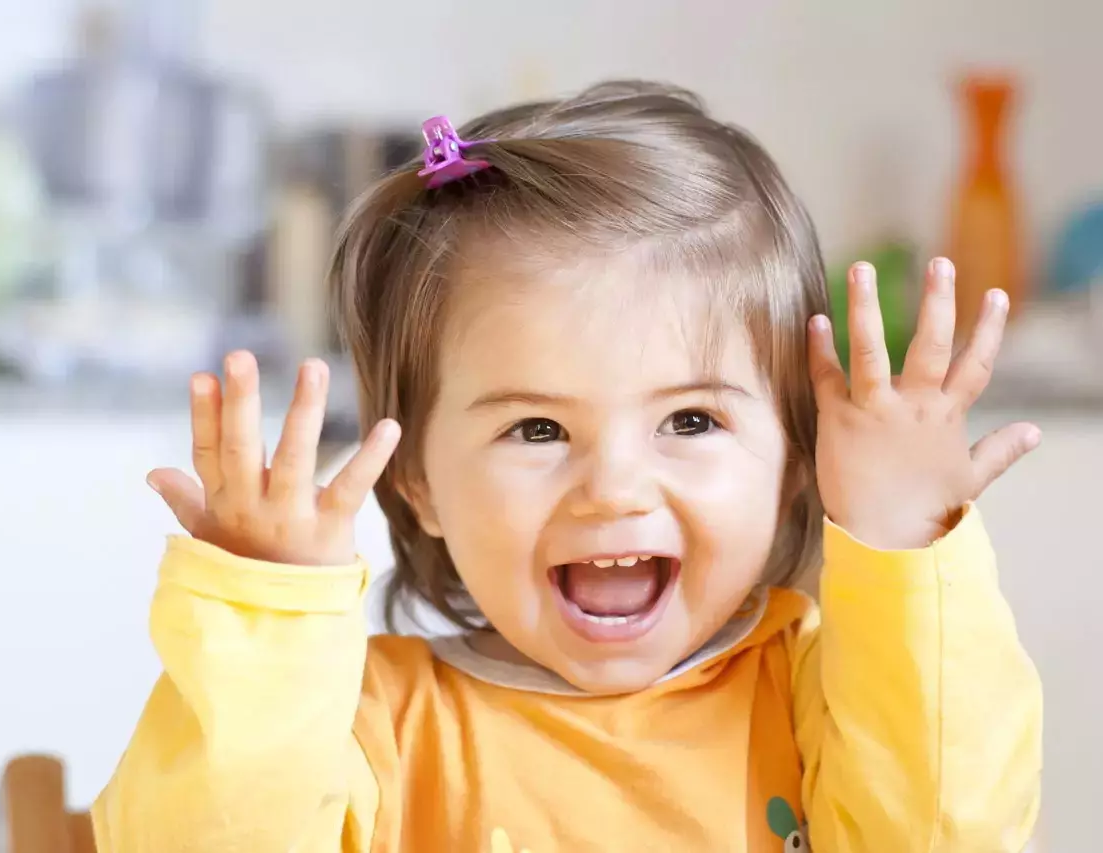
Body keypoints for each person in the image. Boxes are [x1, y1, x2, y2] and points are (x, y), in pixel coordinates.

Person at [92, 81, 1043, 852]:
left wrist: (903, 546)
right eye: (538, 430)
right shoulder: (361, 722)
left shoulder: (825, 703)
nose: (614, 489)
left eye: (691, 418)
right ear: (415, 477)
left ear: (797, 454)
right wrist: (269, 618)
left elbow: (948, 835)